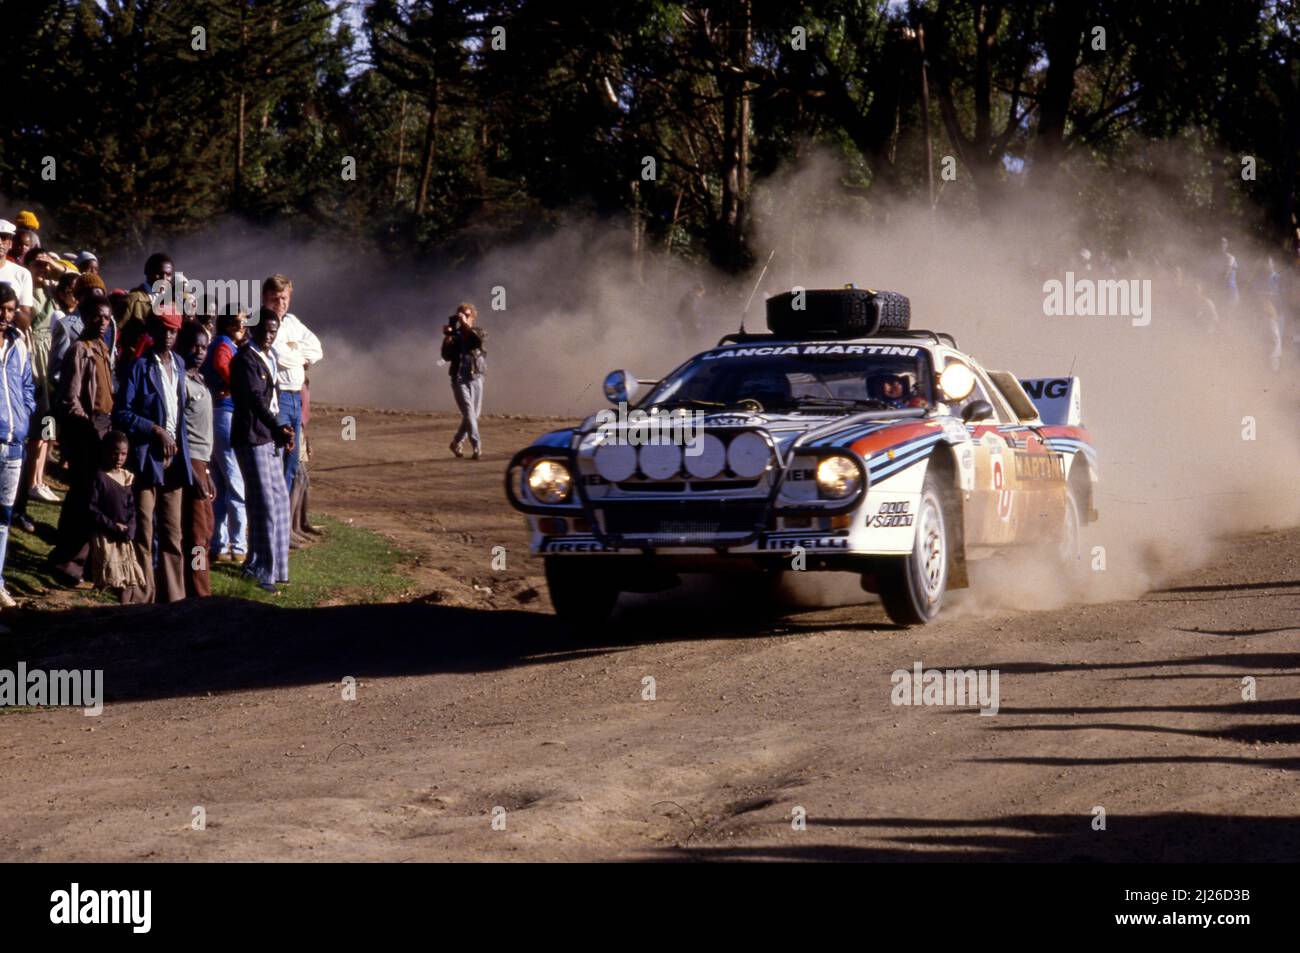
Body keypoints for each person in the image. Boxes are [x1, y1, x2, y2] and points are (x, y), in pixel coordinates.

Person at [114, 308, 193, 603]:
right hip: (147, 458)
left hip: (174, 462)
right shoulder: (139, 367)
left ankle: (174, 598)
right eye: (164, 330)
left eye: (174, 331)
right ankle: (140, 597)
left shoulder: (181, 364)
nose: (169, 336)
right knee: (144, 532)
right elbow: (121, 413)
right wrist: (155, 429)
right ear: (153, 330)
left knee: (174, 534)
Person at [49, 293, 116, 584]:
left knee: (90, 496)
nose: (102, 322)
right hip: (85, 430)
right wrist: (87, 427)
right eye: (96, 316)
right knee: (83, 497)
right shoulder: (79, 350)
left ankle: (80, 560)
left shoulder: (102, 347)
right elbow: (69, 397)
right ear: (85, 317)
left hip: (104, 426)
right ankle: (68, 563)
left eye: (106, 317)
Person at [230, 309, 293, 594]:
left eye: (274, 331)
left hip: (269, 434)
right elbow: (254, 400)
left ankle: (277, 569)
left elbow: (273, 399)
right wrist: (277, 427)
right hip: (252, 435)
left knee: (279, 502)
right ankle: (264, 572)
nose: (270, 336)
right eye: (265, 331)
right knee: (264, 503)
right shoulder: (245, 359)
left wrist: (282, 430)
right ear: (253, 330)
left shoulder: (269, 356)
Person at [261, 274, 322, 496]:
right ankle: (272, 517)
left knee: (292, 461)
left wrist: (294, 351)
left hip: (296, 397)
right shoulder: (263, 323)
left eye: (284, 298)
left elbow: (317, 349)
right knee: (276, 457)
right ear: (265, 298)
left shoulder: (292, 322)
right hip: (279, 398)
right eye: (275, 299)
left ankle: (283, 521)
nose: (280, 303)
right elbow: (280, 357)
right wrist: (299, 354)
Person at [203, 311, 248, 563]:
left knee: (221, 482)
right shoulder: (223, 344)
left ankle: (219, 545)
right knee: (234, 481)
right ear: (229, 324)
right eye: (239, 321)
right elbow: (222, 364)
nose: (243, 326)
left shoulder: (220, 342)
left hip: (216, 414)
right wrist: (236, 384)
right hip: (225, 415)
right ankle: (239, 546)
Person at [0, 284, 35, 609]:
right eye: (1, 309)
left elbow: (27, 385)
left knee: (4, 516)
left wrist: (24, 415)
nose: (5, 316)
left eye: (10, 310)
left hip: (14, 443)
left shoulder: (18, 345)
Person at [87, 431, 148, 604]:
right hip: (107, 536)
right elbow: (92, 508)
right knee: (113, 575)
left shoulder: (127, 478)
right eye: (115, 453)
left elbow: (131, 507)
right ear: (105, 452)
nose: (119, 457)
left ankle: (125, 607)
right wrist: (113, 526)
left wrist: (131, 527)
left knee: (128, 576)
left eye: (123, 454)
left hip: (124, 537)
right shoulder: (100, 477)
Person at [178, 321, 215, 597]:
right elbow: (179, 429)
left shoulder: (199, 378)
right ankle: (199, 594)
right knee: (197, 536)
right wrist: (192, 471)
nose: (201, 352)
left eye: (204, 347)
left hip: (203, 463)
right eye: (195, 346)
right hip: (191, 463)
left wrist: (208, 472)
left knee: (208, 530)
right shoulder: (181, 381)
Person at [441, 302, 486, 459]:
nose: (462, 318)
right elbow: (446, 356)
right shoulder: (455, 335)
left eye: (466, 315)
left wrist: (466, 326)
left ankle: (456, 442)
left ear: (472, 317)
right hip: (459, 378)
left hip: (476, 377)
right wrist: (447, 337)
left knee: (475, 414)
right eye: (460, 315)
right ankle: (476, 446)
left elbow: (477, 341)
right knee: (469, 412)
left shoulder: (477, 332)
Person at [120, 252, 173, 334]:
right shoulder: (132, 300)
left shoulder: (172, 302)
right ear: (147, 272)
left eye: (168, 274)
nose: (164, 278)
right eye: (159, 274)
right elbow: (115, 331)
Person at [0, 221, 35, 325]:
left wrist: (10, 308)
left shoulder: (22, 274)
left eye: (4, 238)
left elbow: (25, 320)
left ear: (10, 243)